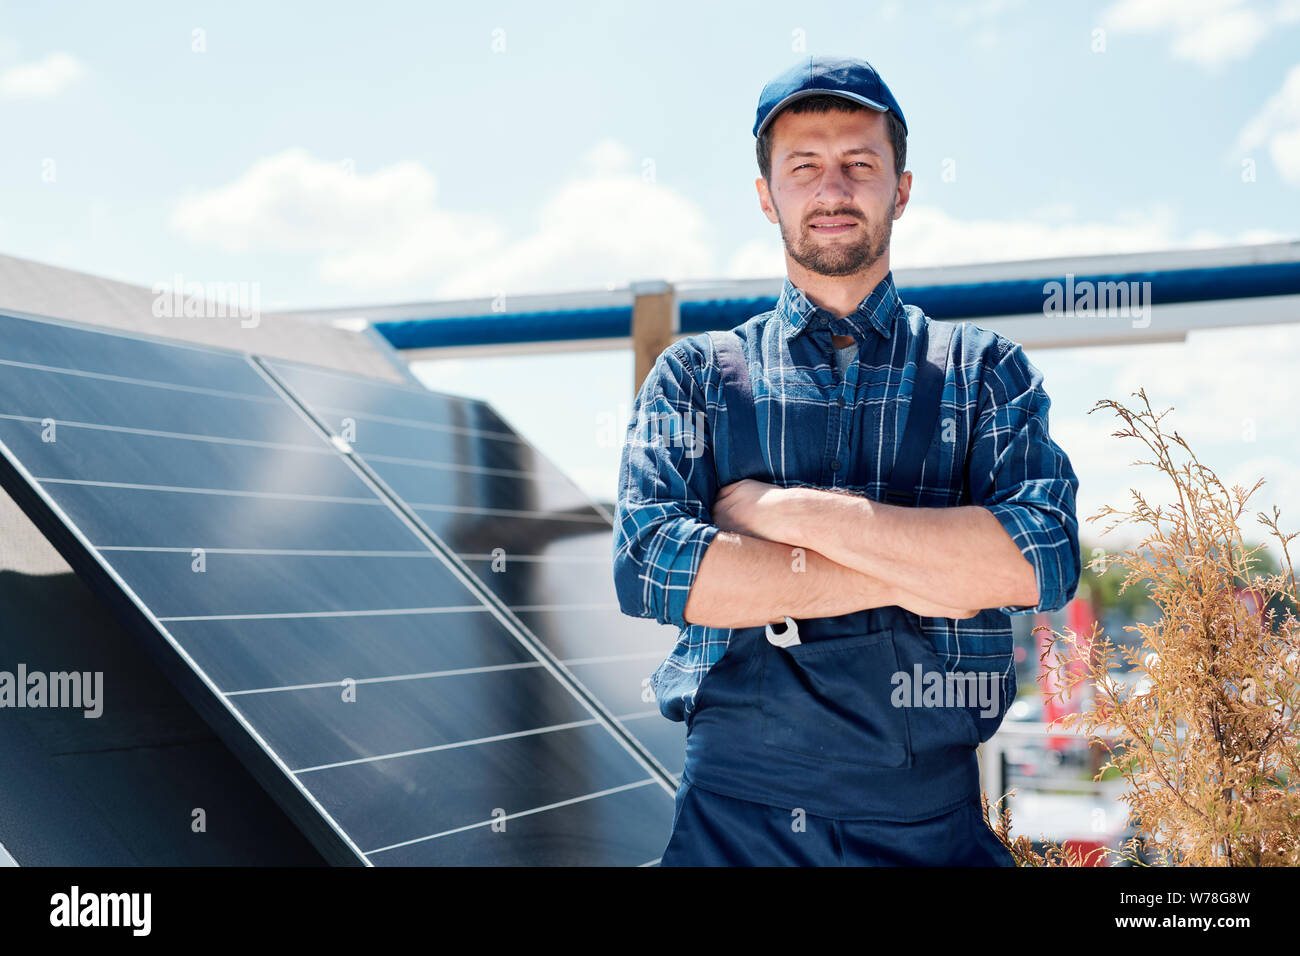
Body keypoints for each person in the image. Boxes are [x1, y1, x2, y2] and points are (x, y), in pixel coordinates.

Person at [612, 55, 1081, 866]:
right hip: (733, 829)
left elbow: (1040, 558)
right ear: (767, 195)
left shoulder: (984, 372)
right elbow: (655, 571)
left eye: (859, 164)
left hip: (928, 828)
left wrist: (779, 512)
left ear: (900, 188)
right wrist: (938, 572)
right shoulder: (695, 376)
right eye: (804, 168)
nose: (832, 190)